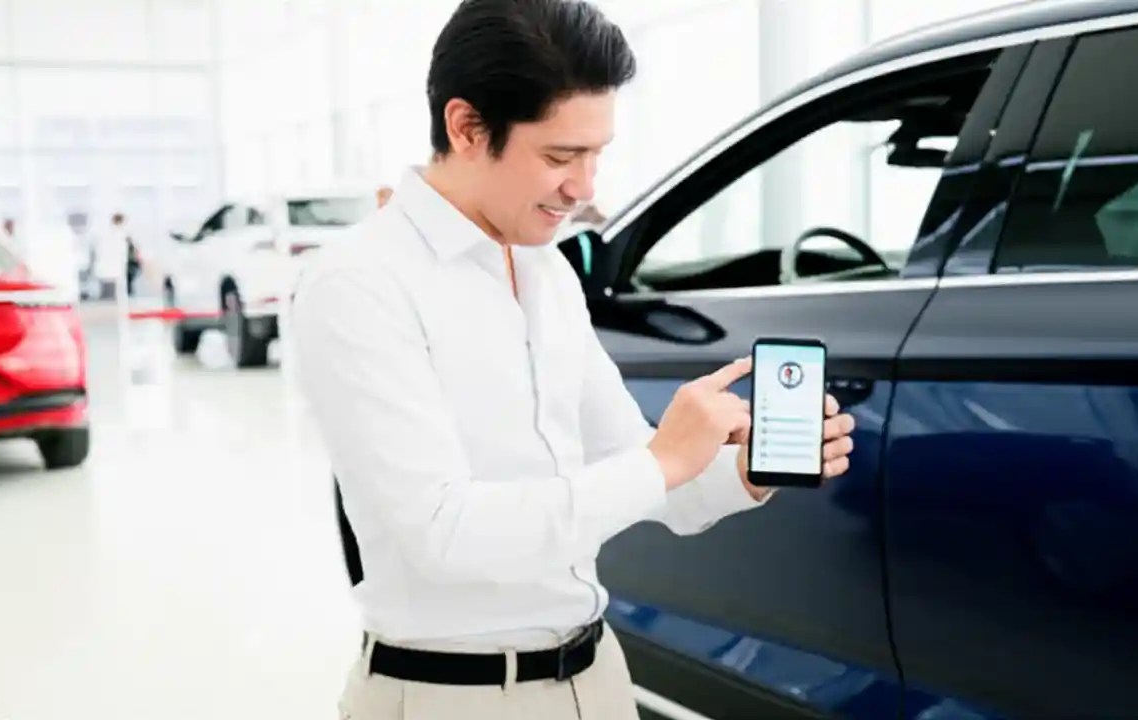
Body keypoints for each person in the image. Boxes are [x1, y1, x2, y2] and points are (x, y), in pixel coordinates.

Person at [291, 1, 856, 718]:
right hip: (451, 696)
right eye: (560, 156)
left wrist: (738, 473)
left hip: (595, 679)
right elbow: (443, 534)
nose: (585, 187)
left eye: (597, 155)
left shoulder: (546, 272)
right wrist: (662, 461)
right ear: (467, 128)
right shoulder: (360, 281)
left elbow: (655, 487)